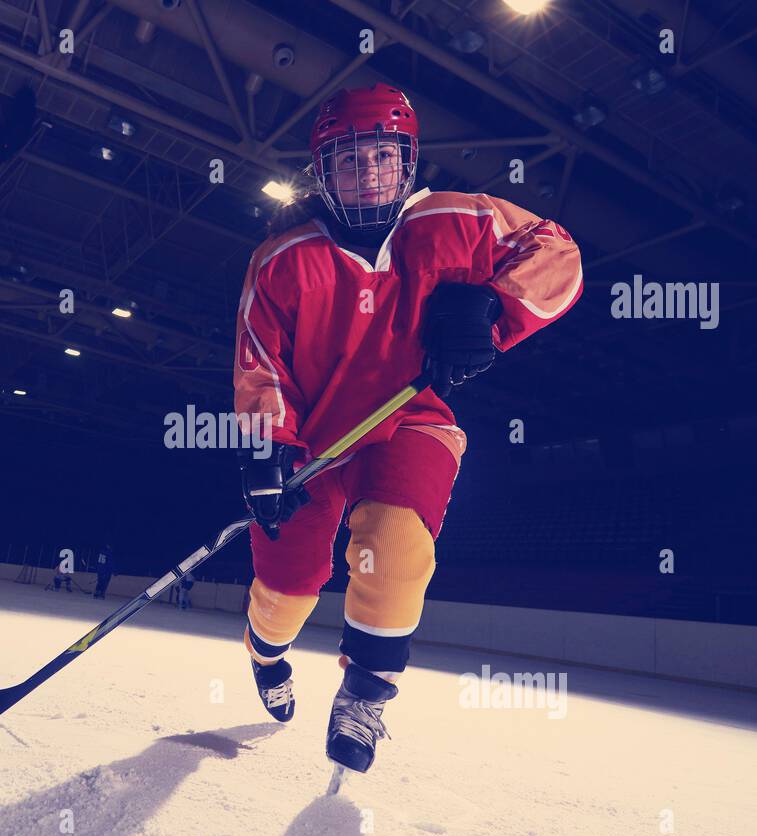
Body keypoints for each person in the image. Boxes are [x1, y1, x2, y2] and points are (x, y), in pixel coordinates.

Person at [233, 84, 582, 774]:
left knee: (397, 548)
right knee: (287, 589)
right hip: (312, 444)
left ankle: (365, 692)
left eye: (383, 157)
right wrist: (269, 447)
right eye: (350, 161)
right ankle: (265, 654)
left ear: (407, 161)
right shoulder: (280, 259)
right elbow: (260, 360)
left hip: (409, 422)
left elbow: (558, 252)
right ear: (323, 172)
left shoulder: (458, 221)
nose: (369, 174)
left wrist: (493, 305)